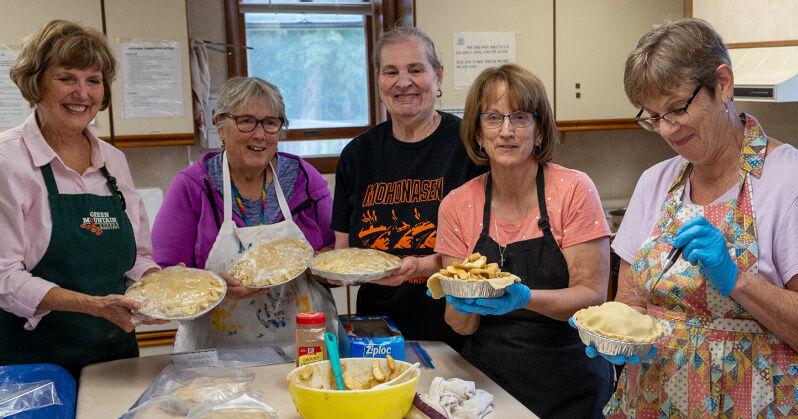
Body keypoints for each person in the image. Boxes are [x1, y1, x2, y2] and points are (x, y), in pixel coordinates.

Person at [587, 18, 798, 417]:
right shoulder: (655, 182)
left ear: (722, 84)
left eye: (676, 109)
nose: (666, 129)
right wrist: (611, 334)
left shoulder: (788, 180)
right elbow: (630, 300)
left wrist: (737, 279)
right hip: (650, 403)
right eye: (652, 116)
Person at [437, 64, 614, 417]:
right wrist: (460, 299)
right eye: (493, 118)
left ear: (539, 129)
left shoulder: (574, 190)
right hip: (489, 389)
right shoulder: (457, 205)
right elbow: (457, 324)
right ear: (476, 132)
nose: (506, 131)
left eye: (519, 117)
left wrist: (524, 298)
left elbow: (592, 296)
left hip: (571, 383)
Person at [0, 20, 161, 377]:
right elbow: (4, 277)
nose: (82, 93)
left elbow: (138, 257)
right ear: (36, 81)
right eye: (67, 78)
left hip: (115, 359)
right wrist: (93, 306)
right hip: (36, 367)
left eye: (93, 80)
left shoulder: (114, 161)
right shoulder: (8, 161)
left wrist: (165, 285)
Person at [152, 76, 337, 353]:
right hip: (216, 352)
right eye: (246, 121)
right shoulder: (193, 186)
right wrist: (217, 287)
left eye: (270, 123)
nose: (259, 134)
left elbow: (335, 252)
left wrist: (326, 266)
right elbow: (167, 279)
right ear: (220, 126)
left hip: (301, 349)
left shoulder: (303, 179)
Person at [331, 26, 483, 350]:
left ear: (438, 76)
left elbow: (489, 251)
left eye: (416, 69)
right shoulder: (356, 156)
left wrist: (423, 265)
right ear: (378, 81)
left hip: (456, 335)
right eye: (391, 71)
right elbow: (343, 251)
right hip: (375, 336)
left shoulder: (471, 148)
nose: (403, 82)